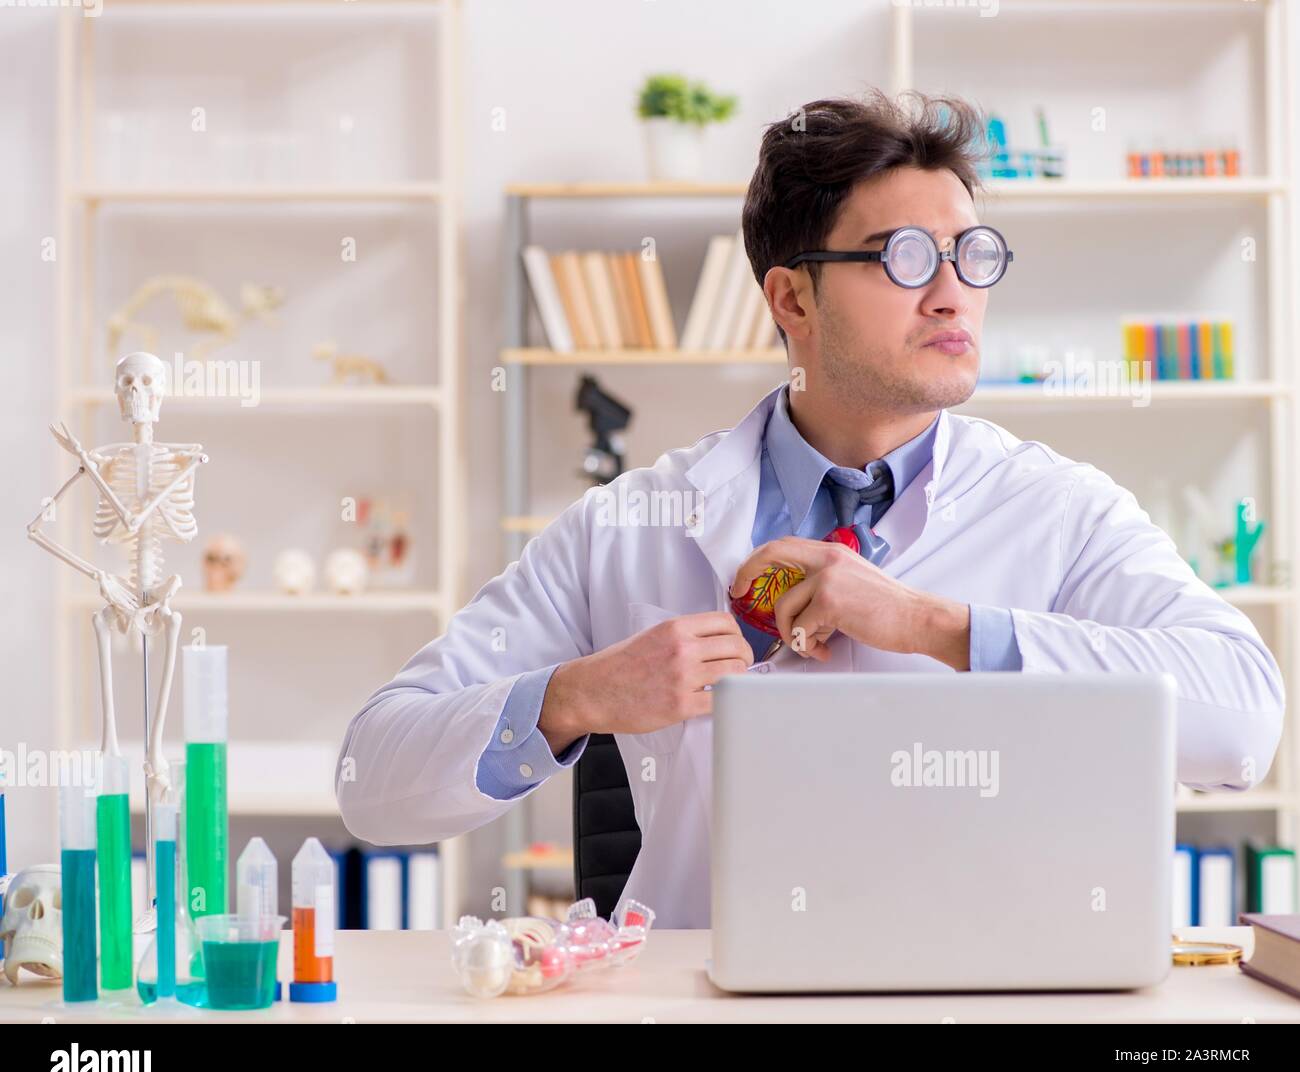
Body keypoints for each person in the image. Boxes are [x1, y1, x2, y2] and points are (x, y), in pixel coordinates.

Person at [336, 90, 1284, 928]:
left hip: (984, 995)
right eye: (905, 257)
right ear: (792, 297)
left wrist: (932, 625)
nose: (953, 293)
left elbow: (1243, 721)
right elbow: (372, 781)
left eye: (971, 254)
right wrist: (577, 698)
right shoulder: (632, 524)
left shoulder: (1059, 512)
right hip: (703, 1005)